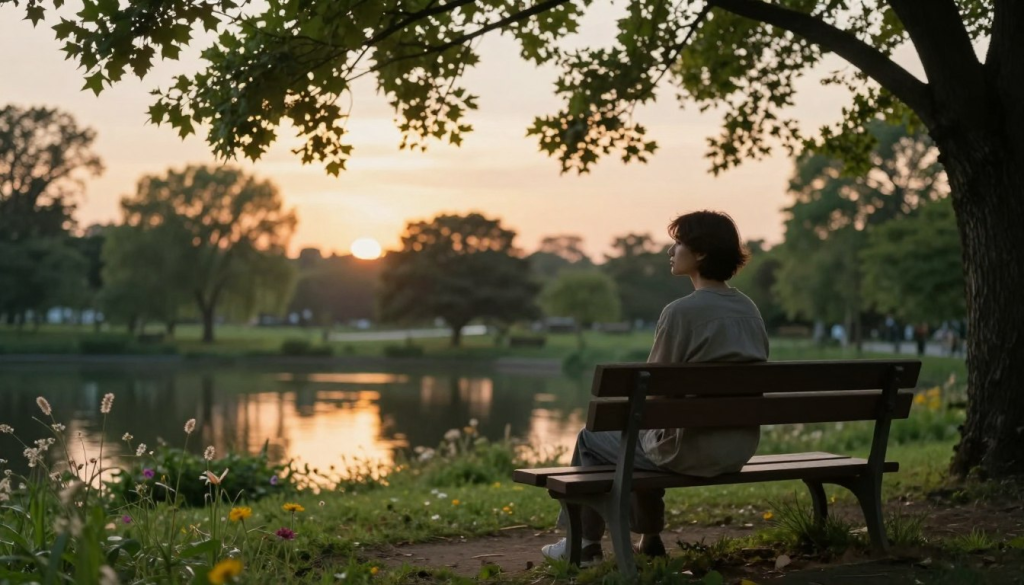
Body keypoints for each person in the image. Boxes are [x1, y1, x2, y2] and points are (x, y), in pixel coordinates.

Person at [541, 210, 769, 565]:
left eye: (679, 243)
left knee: (594, 438)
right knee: (650, 435)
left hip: (690, 452)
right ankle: (649, 539)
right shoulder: (750, 309)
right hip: (737, 448)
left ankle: (584, 545)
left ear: (701, 254)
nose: (671, 251)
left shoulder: (680, 313)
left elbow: (650, 393)